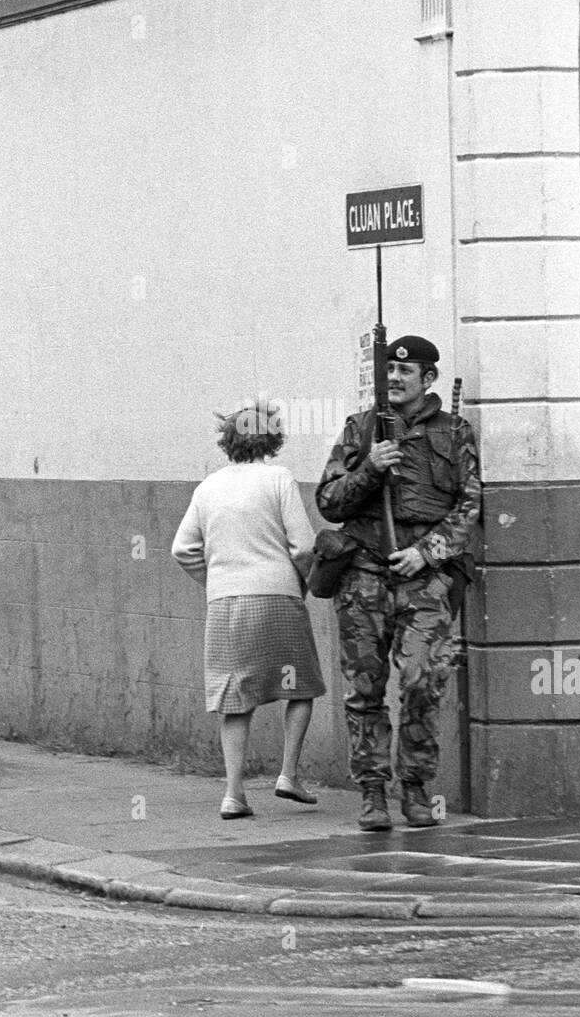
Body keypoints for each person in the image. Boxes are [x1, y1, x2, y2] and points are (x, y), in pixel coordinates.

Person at [316, 336, 481, 831]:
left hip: (423, 580)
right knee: (364, 689)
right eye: (388, 370)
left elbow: (469, 505)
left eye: (405, 372)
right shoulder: (360, 428)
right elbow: (329, 501)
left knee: (422, 681)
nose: (393, 378)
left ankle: (415, 787)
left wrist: (424, 552)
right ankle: (371, 793)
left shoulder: (455, 432)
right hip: (364, 574)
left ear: (427, 378)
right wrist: (369, 469)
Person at [171, 398, 325, 819]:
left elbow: (182, 549)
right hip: (278, 597)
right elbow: (304, 546)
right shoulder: (278, 479)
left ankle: (233, 793)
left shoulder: (207, 487)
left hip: (225, 604)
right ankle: (288, 773)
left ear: (228, 440)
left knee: (233, 698)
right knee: (303, 686)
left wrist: (216, 580)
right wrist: (304, 584)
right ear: (272, 439)